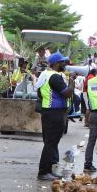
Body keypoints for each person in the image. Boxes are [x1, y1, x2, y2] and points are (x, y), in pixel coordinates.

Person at [35, 51, 71, 180]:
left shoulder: (45, 75)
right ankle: (43, 172)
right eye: (62, 62)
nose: (64, 64)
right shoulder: (55, 77)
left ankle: (48, 170)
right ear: (56, 64)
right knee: (51, 143)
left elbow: (39, 94)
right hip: (55, 112)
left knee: (50, 142)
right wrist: (71, 81)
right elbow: (67, 93)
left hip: (48, 110)